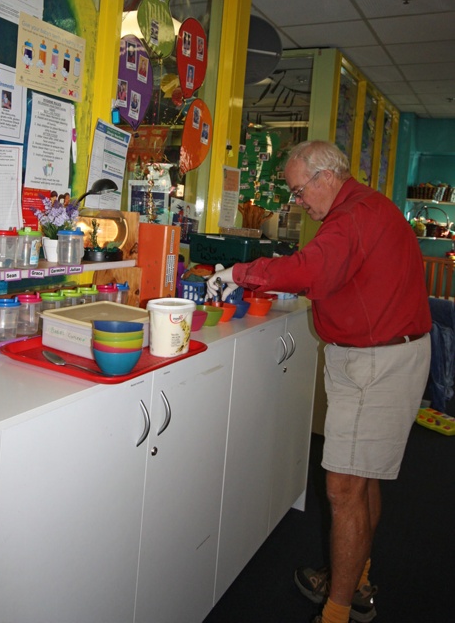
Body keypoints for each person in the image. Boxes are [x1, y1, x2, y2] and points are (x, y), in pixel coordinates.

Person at [207, 140, 431, 623]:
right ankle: (356, 577)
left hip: (377, 363)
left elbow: (311, 270)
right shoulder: (362, 208)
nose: (298, 202)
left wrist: (241, 272)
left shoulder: (353, 215)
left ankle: (337, 611)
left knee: (343, 489)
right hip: (382, 354)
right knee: (361, 479)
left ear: (325, 176)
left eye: (298, 191)